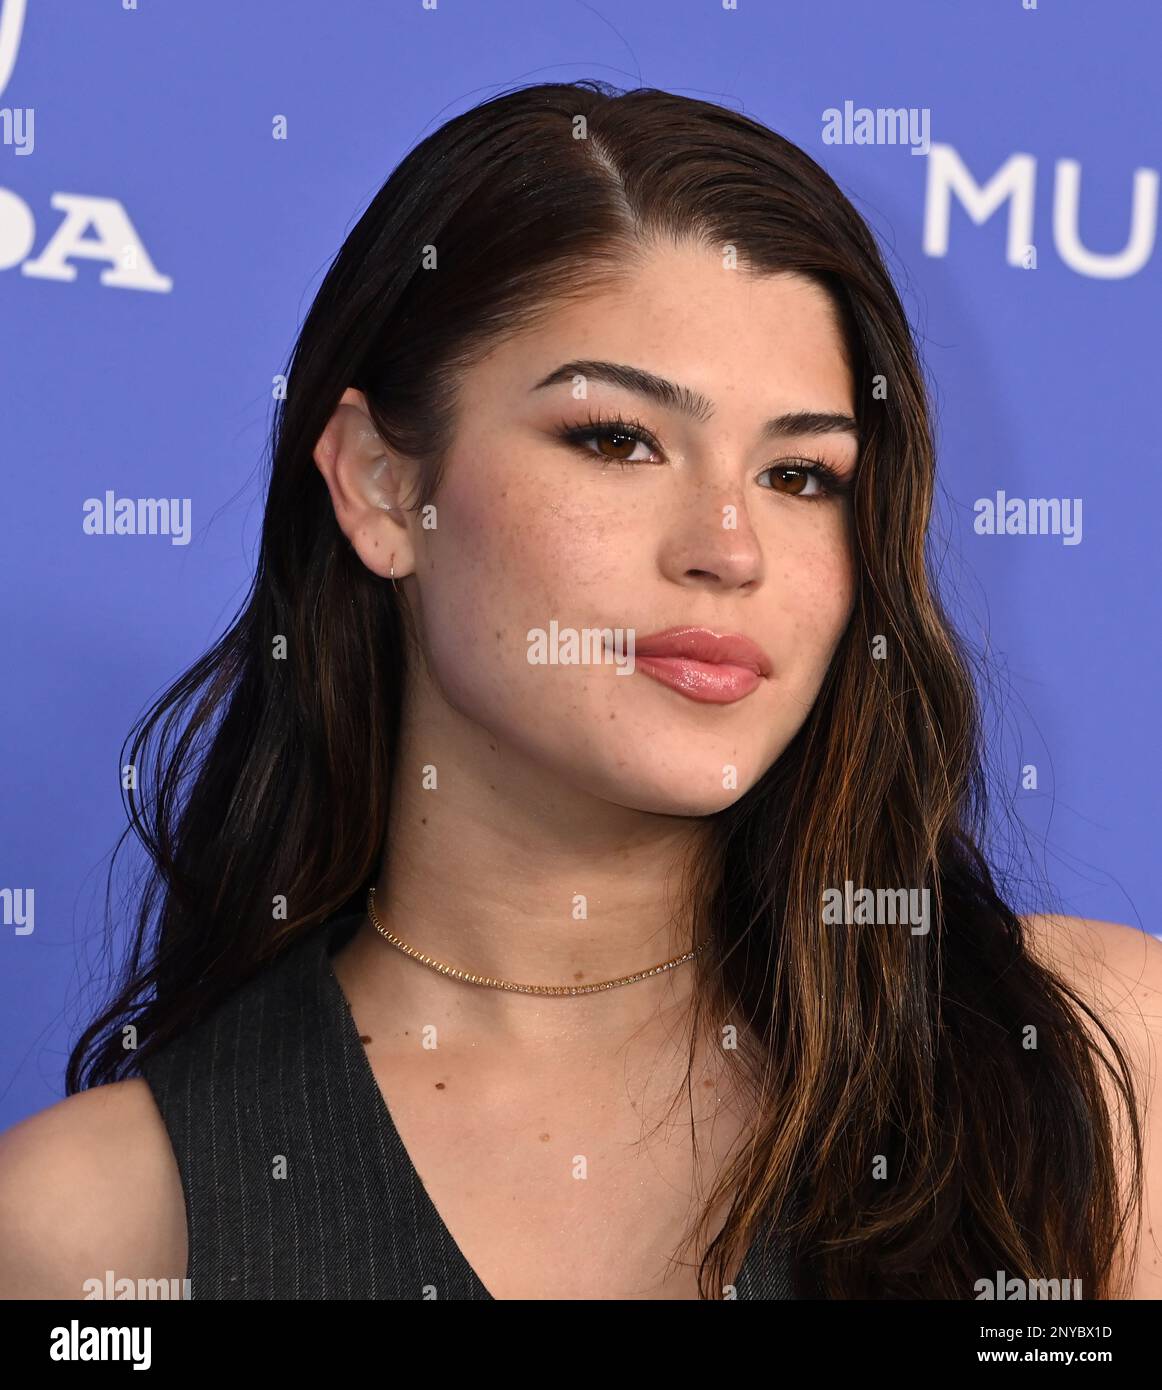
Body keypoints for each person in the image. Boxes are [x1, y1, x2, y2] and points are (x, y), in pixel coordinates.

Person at [1, 80, 1158, 1301]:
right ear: (383, 486)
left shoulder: (1092, 1063)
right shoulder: (96, 1227)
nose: (730, 547)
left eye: (799, 474)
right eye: (617, 440)